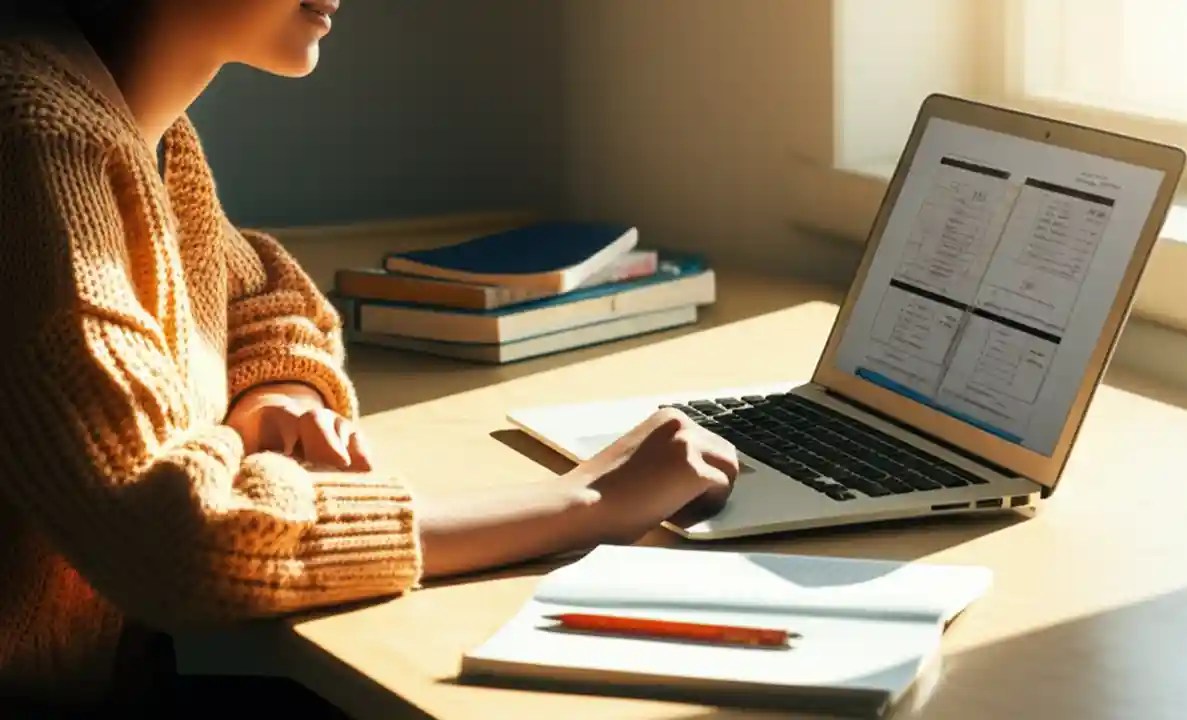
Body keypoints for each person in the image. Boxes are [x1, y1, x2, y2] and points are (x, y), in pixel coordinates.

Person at [0, 0, 740, 714]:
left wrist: (277, 399)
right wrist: (583, 504)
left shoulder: (139, 126)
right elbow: (171, 541)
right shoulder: (38, 136)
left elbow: (257, 293)